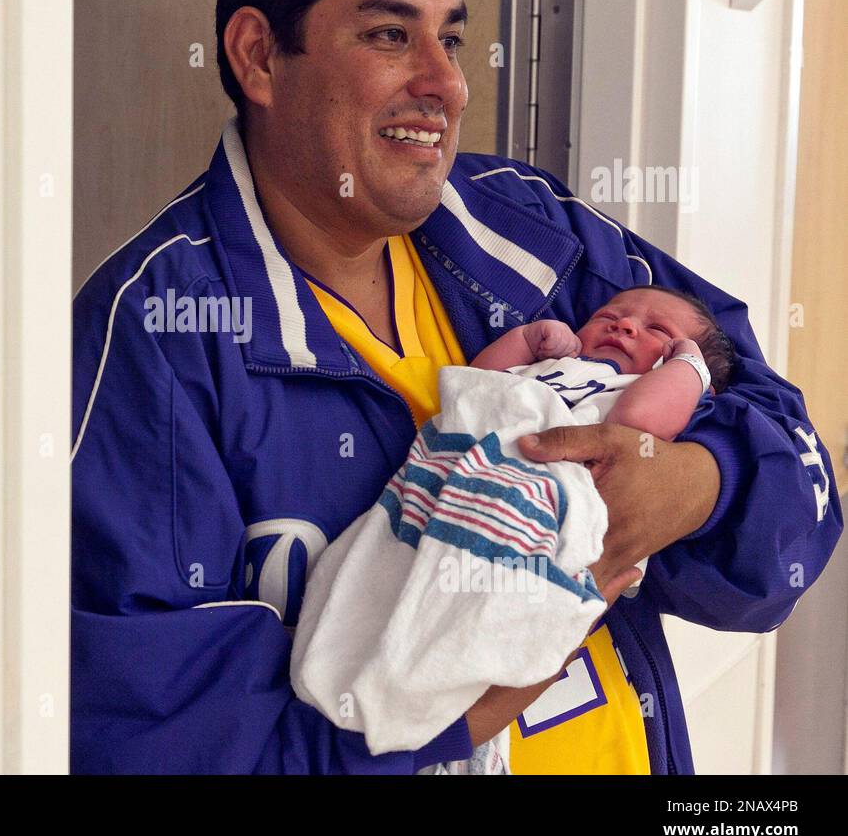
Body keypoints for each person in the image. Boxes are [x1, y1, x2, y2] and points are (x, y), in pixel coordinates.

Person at [70, 0, 841, 774]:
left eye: (453, 38)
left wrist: (695, 486)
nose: (446, 84)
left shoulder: (527, 234)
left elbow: (792, 477)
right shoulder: (157, 344)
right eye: (391, 34)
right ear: (257, 56)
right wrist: (454, 718)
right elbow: (156, 744)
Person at [289, 287, 739, 773]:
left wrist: (690, 370)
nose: (624, 326)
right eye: (610, 314)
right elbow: (476, 389)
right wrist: (525, 341)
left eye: (658, 333)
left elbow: (638, 421)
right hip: (449, 492)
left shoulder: (637, 393)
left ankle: (432, 716)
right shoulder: (553, 372)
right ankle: (372, 678)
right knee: (382, 585)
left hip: (530, 517)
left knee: (477, 639)